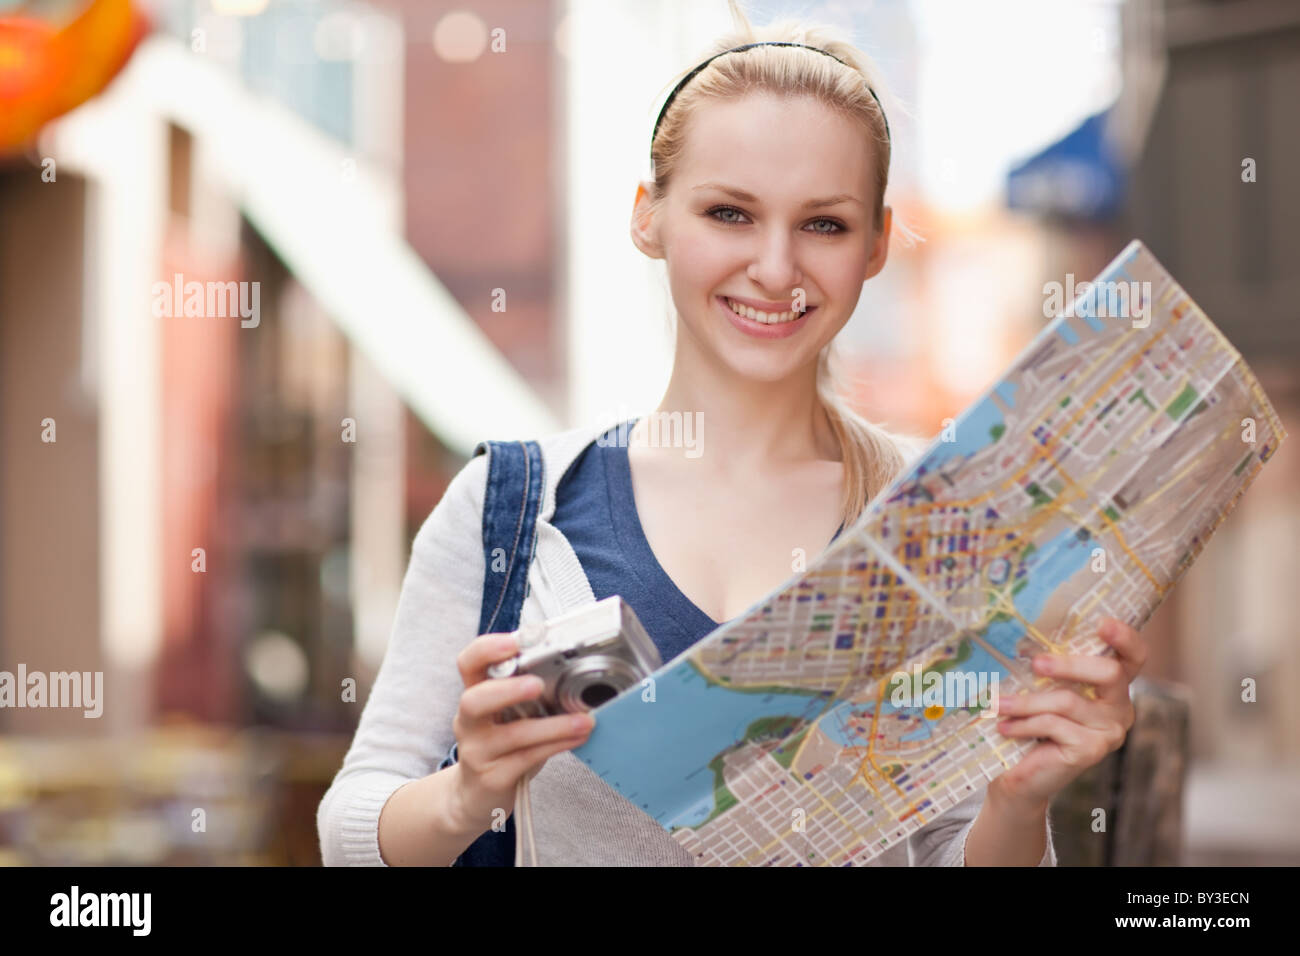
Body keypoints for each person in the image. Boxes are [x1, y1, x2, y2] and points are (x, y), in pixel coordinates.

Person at [317, 0, 1147, 867]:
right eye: (729, 214)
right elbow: (350, 831)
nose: (777, 267)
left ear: (875, 246)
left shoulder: (937, 518)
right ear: (649, 216)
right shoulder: (514, 511)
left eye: (823, 224)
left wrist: (1019, 801)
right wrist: (467, 793)